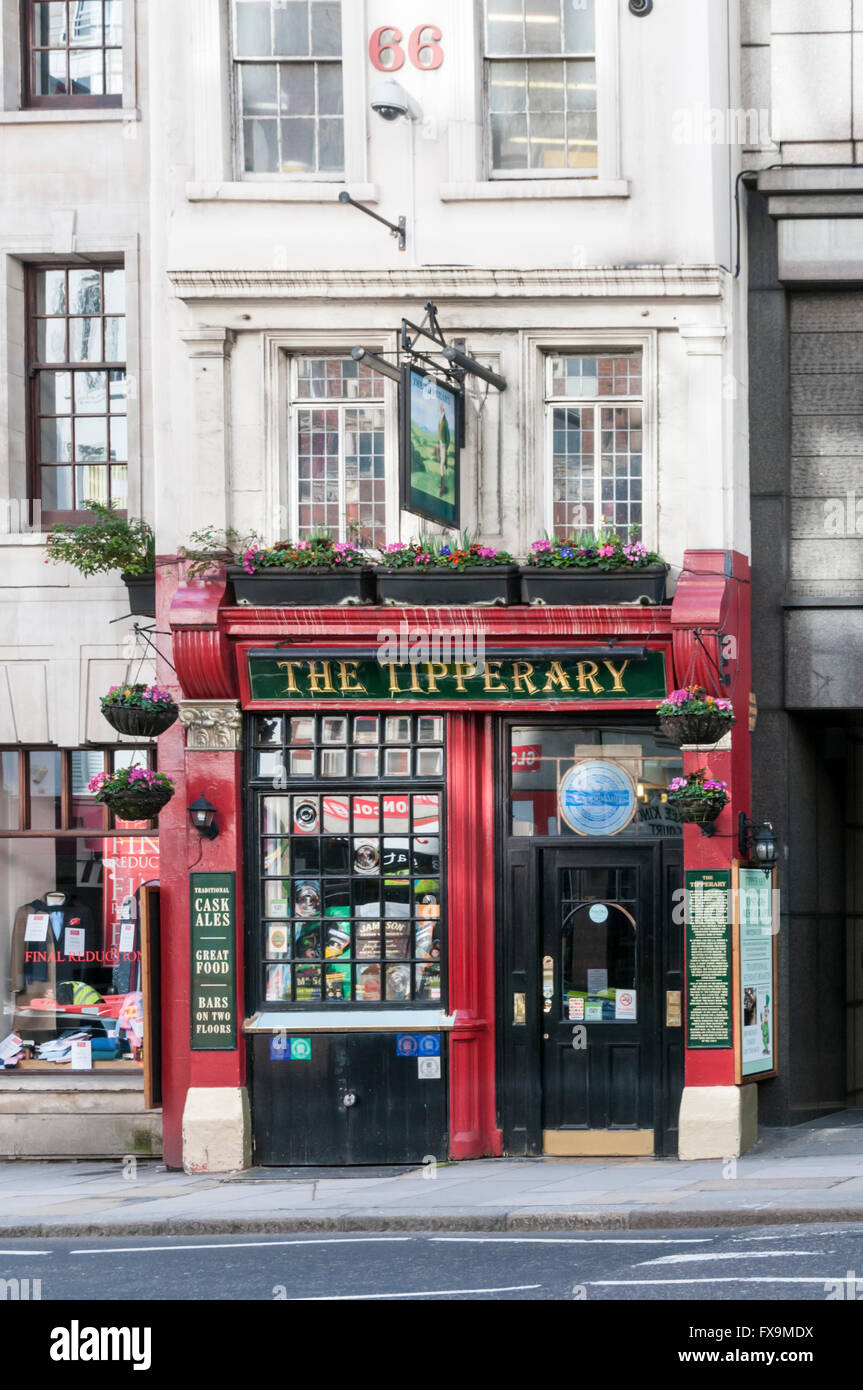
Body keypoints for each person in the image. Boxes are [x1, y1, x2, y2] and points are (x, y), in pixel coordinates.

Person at [438, 403, 451, 497]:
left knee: (442, 464)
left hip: (444, 445)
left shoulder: (445, 421)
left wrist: (446, 448)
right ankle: (442, 485)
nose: (440, 409)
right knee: (441, 464)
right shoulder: (441, 419)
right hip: (441, 443)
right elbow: (440, 433)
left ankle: (443, 488)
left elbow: (448, 436)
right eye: (440, 408)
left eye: (441, 408)